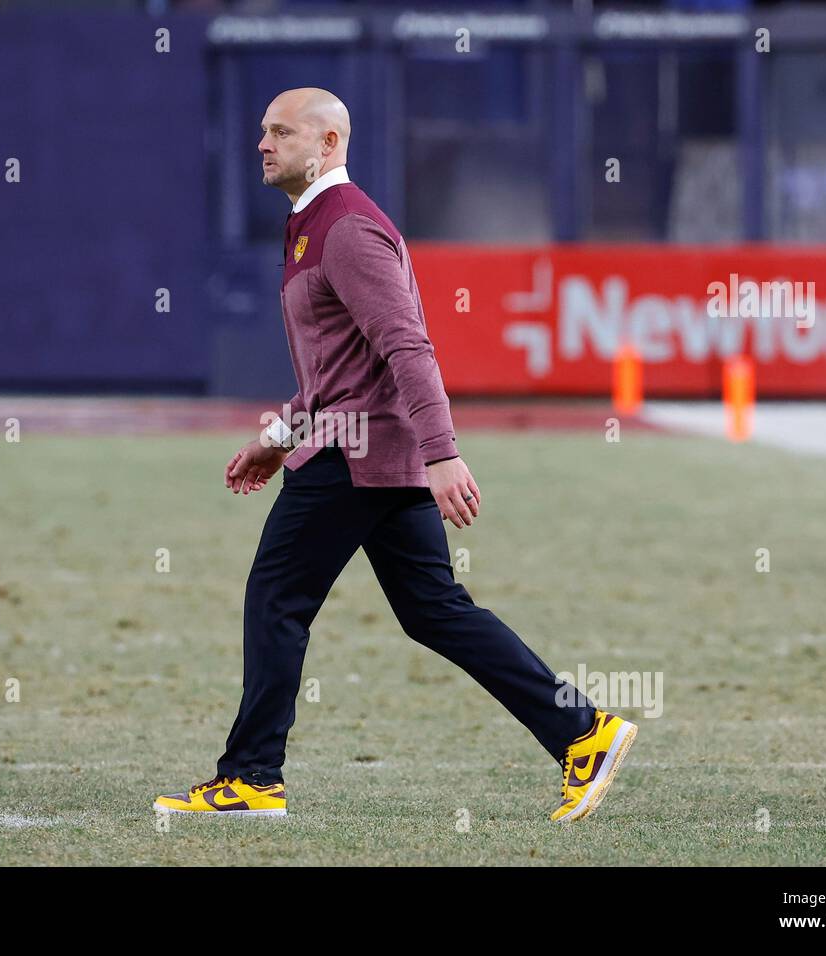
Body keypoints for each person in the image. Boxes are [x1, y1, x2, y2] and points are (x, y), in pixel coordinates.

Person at [154, 88, 637, 823]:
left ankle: (252, 778)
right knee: (434, 610)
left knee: (277, 599)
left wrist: (441, 453)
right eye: (262, 131)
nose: (262, 143)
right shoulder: (309, 225)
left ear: (329, 144)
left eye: (280, 132)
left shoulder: (346, 229)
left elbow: (407, 345)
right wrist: (277, 439)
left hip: (357, 453)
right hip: (369, 449)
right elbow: (337, 370)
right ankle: (583, 732)